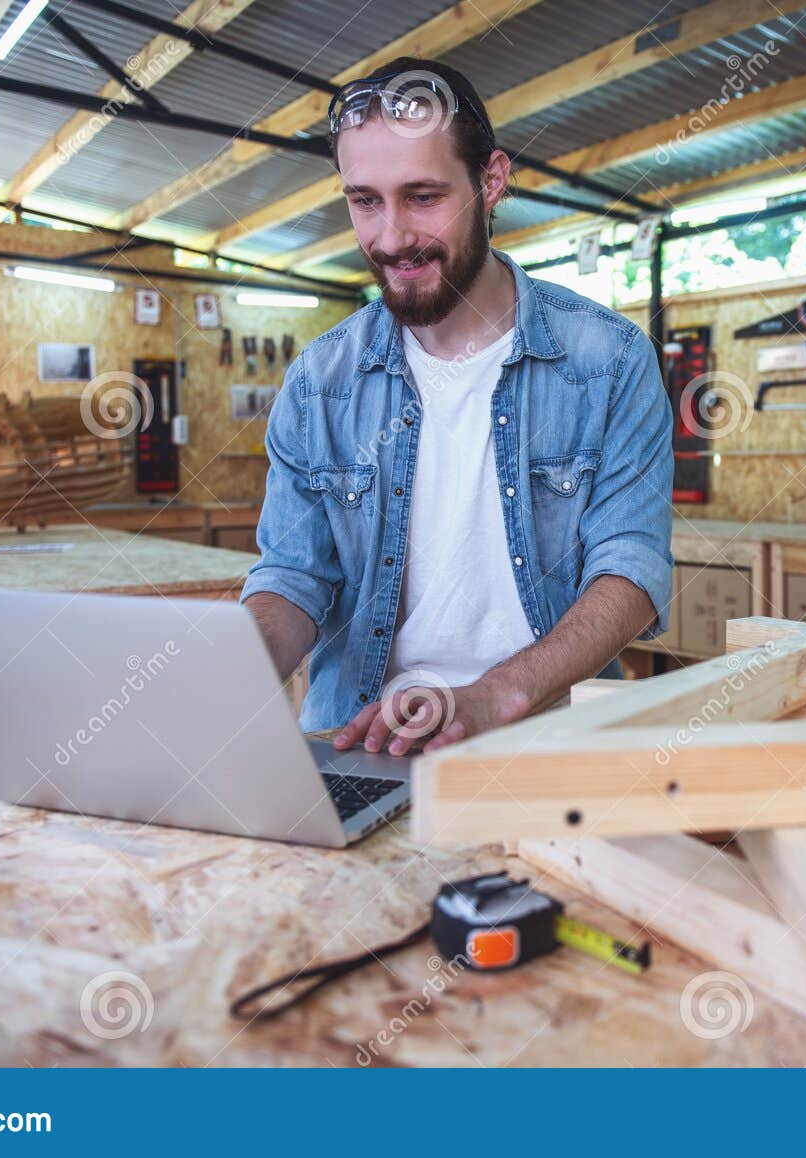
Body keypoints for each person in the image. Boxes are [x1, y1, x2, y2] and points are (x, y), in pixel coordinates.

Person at [241, 58, 674, 757]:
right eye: (365, 201)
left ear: (491, 179)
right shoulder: (320, 380)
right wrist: (233, 671)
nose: (390, 238)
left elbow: (633, 569)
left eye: (422, 196)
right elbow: (293, 575)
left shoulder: (609, 361)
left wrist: (497, 695)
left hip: (545, 741)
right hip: (361, 741)